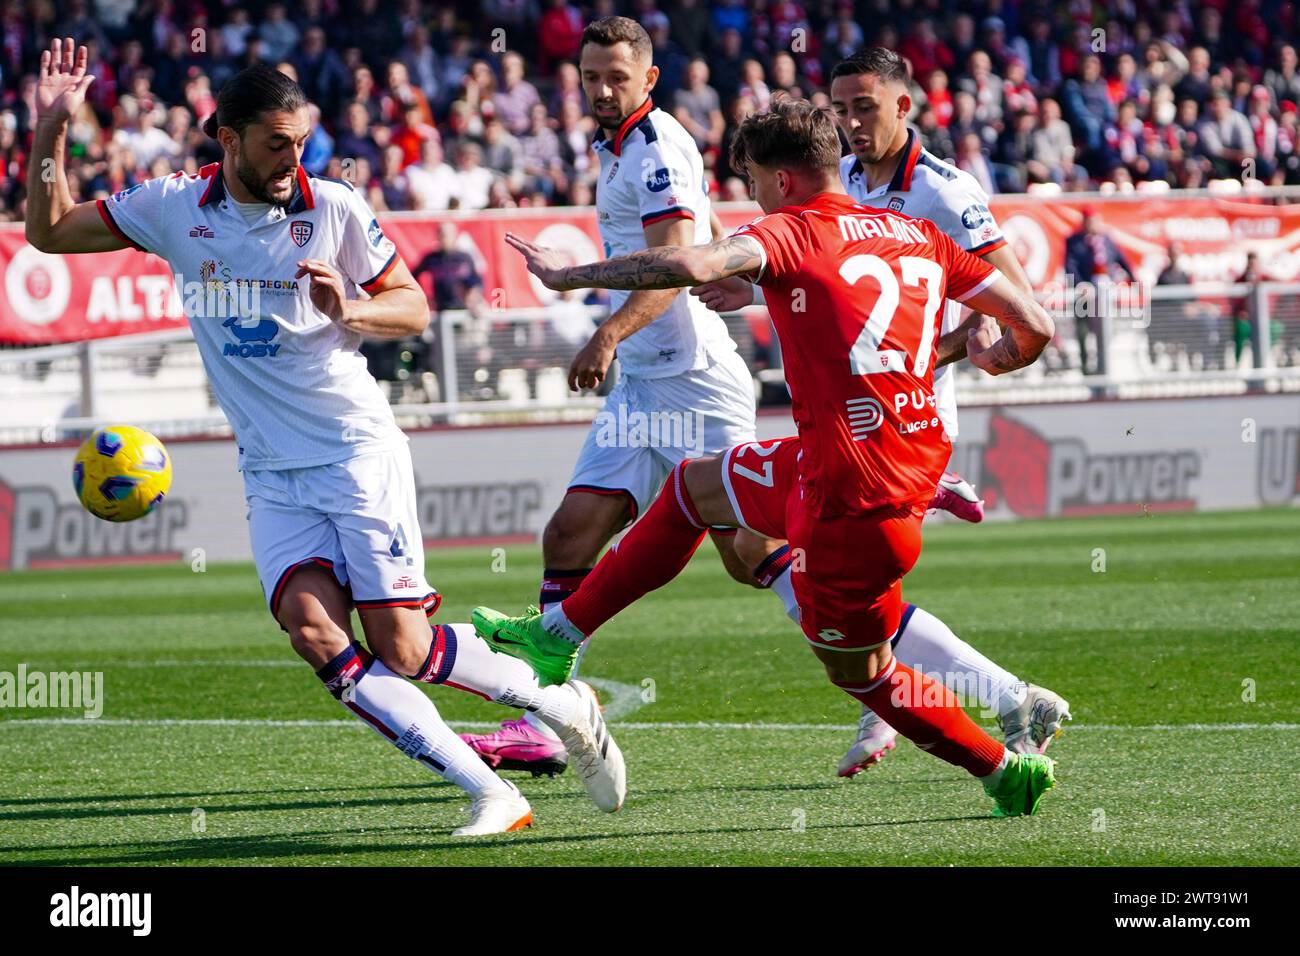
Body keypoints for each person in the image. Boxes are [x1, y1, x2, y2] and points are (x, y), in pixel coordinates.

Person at [25, 41, 625, 835]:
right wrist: (53, 130)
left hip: (354, 453)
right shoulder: (174, 206)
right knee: (315, 633)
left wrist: (352, 313)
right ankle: (491, 791)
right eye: (276, 142)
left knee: (403, 647)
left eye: (301, 141)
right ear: (228, 137)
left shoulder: (332, 208)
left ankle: (559, 700)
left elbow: (410, 306)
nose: (292, 158)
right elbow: (51, 231)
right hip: (272, 474)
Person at [490, 96, 1059, 817]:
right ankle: (555, 635)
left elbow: (689, 259)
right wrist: (992, 357)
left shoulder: (788, 229)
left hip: (852, 502)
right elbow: (1034, 325)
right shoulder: (917, 233)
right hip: (860, 459)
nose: (753, 197)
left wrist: (571, 278)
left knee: (863, 672)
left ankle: (1001, 769)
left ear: (782, 180)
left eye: (754, 181)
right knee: (696, 490)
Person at [696, 49, 1069, 776]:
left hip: (905, 420)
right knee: (754, 550)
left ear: (906, 107)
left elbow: (1012, 305)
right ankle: (940, 699)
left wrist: (955, 350)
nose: (852, 121)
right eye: (840, 107)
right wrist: (761, 291)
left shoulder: (944, 193)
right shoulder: (847, 182)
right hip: (849, 416)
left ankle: (957, 699)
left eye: (866, 106)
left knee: (798, 563)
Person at [1064, 206, 1136, 372]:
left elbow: (1121, 259)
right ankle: (1085, 365)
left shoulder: (1106, 239)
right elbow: (1071, 266)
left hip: (1105, 291)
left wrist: (1134, 281)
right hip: (1085, 292)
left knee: (1104, 330)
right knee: (1083, 328)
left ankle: (1103, 365)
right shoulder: (1075, 241)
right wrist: (1080, 284)